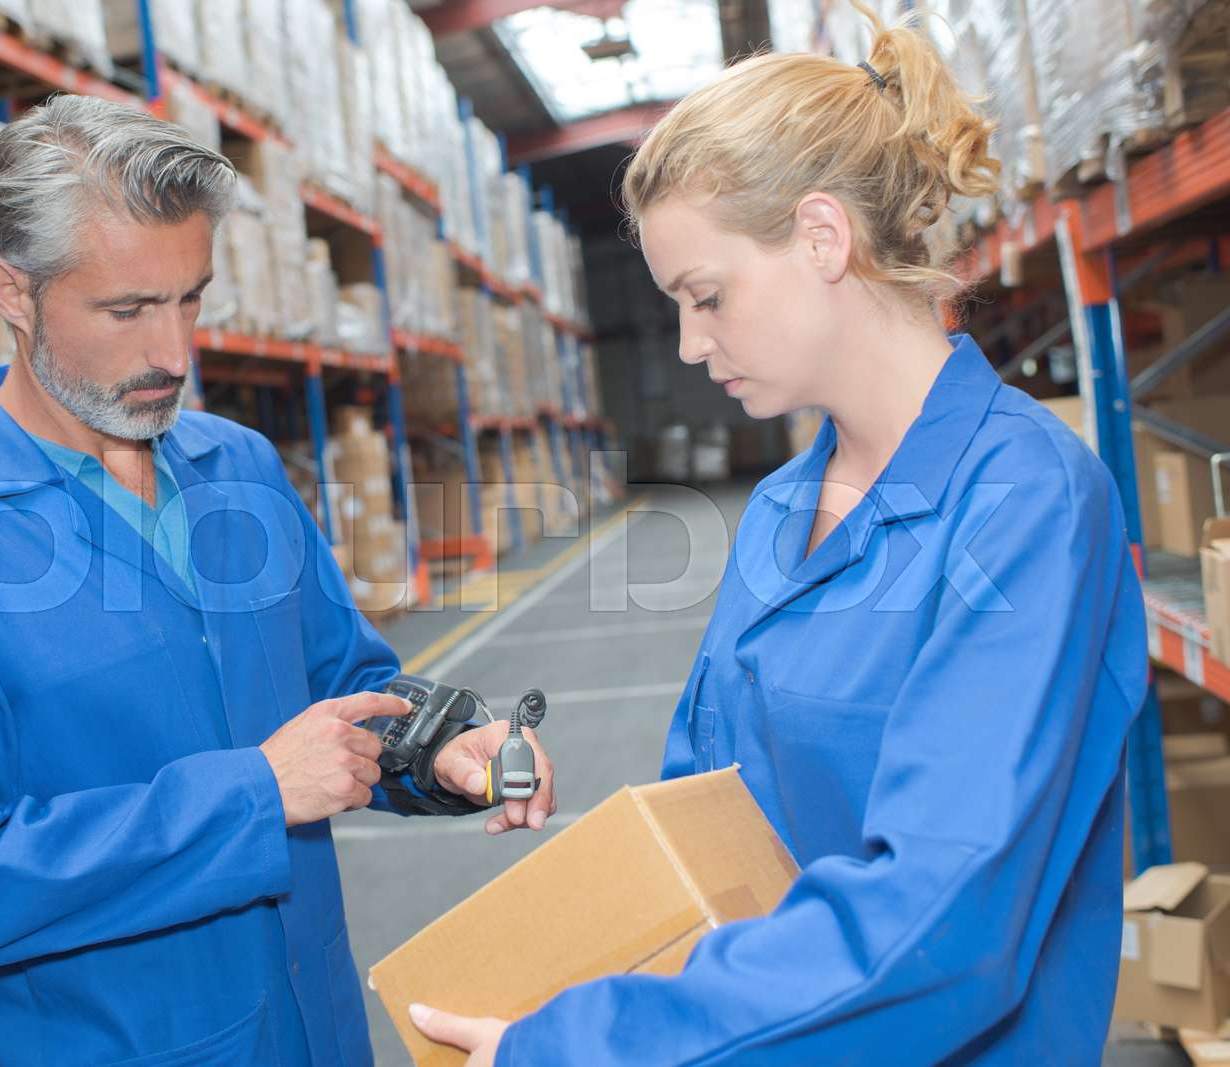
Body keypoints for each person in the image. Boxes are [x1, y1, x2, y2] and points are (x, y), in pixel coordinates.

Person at [412, 10, 1147, 1066]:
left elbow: (939, 920)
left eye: (706, 297)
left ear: (820, 236)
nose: (687, 342)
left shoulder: (1025, 500)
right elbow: (704, 811)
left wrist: (587, 1046)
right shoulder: (782, 507)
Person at [0, 95, 555, 1067]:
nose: (172, 353)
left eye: (191, 299)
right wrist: (252, 792)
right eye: (126, 309)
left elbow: (347, 693)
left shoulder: (239, 467)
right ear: (12, 288)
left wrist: (448, 748)